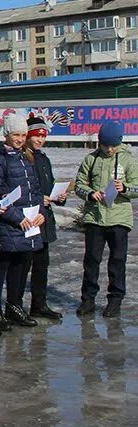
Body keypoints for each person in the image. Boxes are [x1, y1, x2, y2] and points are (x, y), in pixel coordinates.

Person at [0, 114, 45, 331]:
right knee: (4, 263)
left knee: (20, 264)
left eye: (23, 135)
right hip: (9, 221)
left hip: (29, 221)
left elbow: (35, 189)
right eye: (16, 135)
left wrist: (41, 213)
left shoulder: (25, 157)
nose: (20, 139)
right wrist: (15, 216)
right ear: (7, 135)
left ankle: (14, 305)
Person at [74, 121, 137, 318]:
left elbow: (137, 187)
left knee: (117, 261)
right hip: (95, 218)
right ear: (99, 143)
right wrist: (91, 193)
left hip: (119, 219)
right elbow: (79, 185)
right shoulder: (90, 160)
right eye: (105, 145)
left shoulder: (128, 160)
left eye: (113, 146)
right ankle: (88, 300)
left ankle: (115, 300)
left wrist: (125, 188)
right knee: (91, 260)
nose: (109, 150)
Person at [21, 115, 67, 321]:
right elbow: (22, 189)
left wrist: (59, 197)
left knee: (42, 265)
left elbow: (49, 185)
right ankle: (15, 306)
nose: (40, 140)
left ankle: (39, 304)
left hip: (45, 219)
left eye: (43, 136)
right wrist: (40, 199)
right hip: (29, 219)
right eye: (37, 136)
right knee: (23, 265)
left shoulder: (44, 158)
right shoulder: (23, 158)